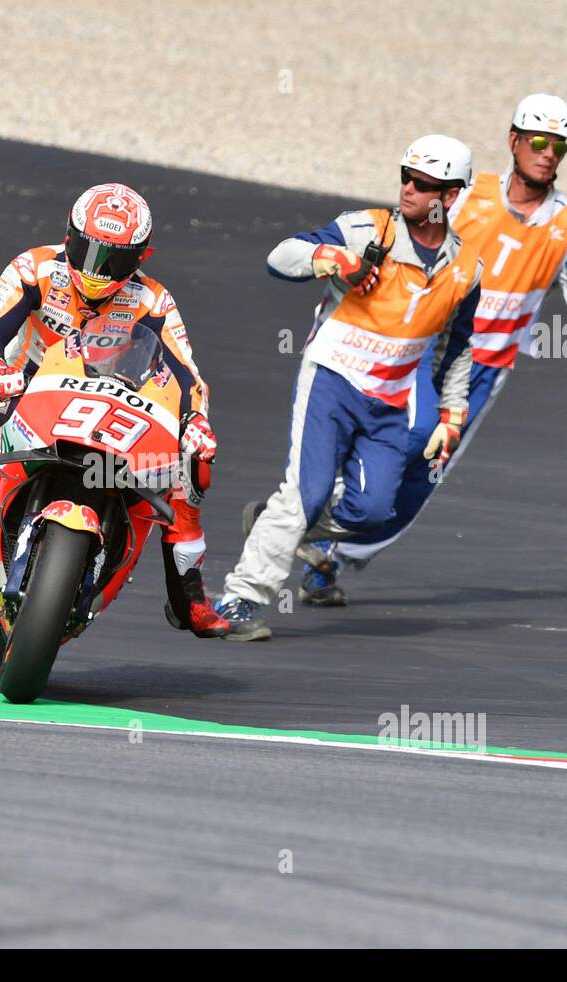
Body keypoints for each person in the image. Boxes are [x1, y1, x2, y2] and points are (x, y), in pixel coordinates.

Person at [306, 95, 567, 605]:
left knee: (424, 472)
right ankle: (306, 517)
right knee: (395, 436)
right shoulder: (466, 194)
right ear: (514, 141)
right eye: (539, 142)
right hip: (423, 345)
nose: (548, 154)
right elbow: (406, 233)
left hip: (482, 370)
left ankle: (333, 556)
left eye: (560, 146)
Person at [215, 135, 483, 640]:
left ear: (449, 197)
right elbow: (281, 255)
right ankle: (240, 601)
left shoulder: (467, 270)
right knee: (307, 491)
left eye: (423, 183)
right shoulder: (364, 229)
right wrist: (331, 260)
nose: (409, 188)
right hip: (331, 381)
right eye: (406, 175)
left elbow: (458, 347)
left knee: (373, 510)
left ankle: (280, 524)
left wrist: (451, 415)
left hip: (388, 402)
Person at [0, 182, 227, 638]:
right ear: (69, 236)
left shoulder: (153, 300)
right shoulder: (33, 268)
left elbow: (187, 374)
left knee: (190, 471)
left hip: (115, 400)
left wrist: (196, 421)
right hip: (28, 387)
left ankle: (189, 596)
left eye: (112, 260)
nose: (96, 270)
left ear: (140, 257)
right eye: (87, 250)